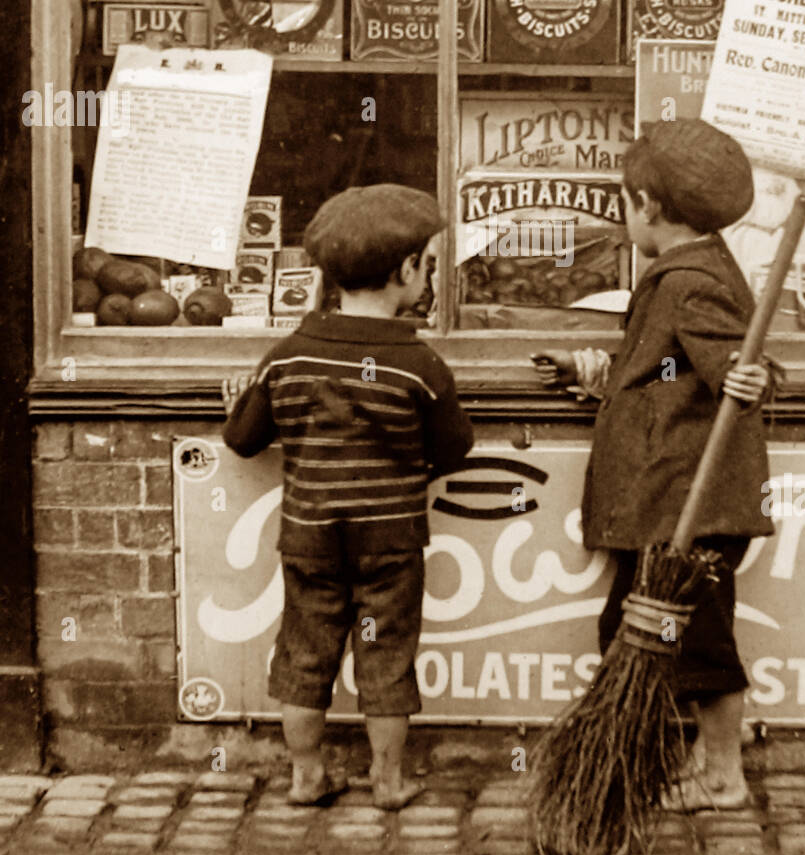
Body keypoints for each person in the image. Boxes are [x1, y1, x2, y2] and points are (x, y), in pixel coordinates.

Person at [533, 119, 775, 811]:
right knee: (633, 629)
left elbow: (742, 366)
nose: (624, 211)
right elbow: (665, 374)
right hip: (670, 498)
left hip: (685, 504)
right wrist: (599, 374)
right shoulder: (689, 268)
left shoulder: (690, 281)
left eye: (625, 200)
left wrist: (748, 377)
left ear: (648, 206)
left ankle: (723, 773)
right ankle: (680, 755)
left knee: (696, 636)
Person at [222, 184, 473, 809]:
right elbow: (454, 448)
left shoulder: (286, 357)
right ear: (405, 271)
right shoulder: (419, 365)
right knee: (385, 653)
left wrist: (237, 403)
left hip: (309, 536)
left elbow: (245, 441)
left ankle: (306, 776)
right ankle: (387, 781)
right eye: (428, 265)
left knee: (305, 652)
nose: (428, 277)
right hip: (389, 540)